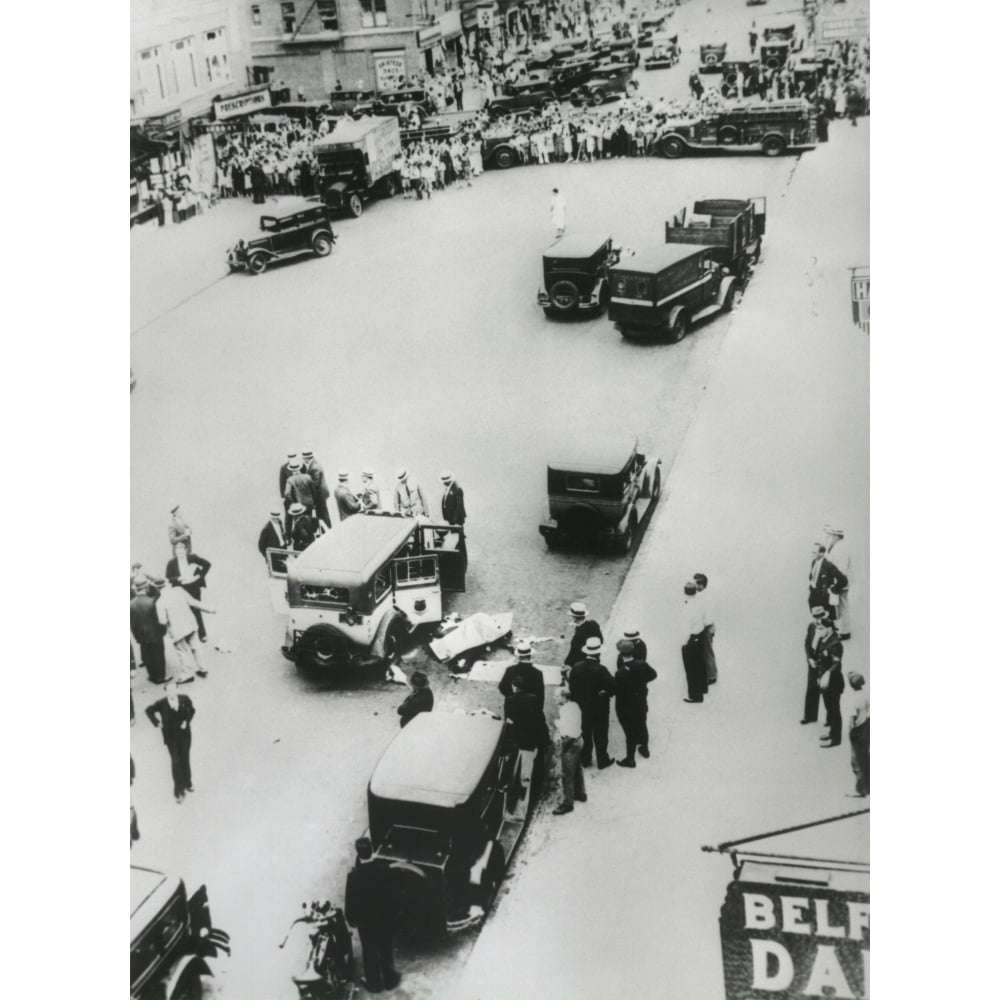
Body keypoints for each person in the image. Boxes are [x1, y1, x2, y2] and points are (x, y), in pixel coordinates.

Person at [344, 837, 401, 993]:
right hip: (384, 919)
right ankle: (390, 979)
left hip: (365, 922)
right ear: (372, 849)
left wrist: (351, 919)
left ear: (358, 853)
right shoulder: (384, 869)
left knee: (369, 951)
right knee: (385, 948)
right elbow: (393, 895)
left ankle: (374, 983)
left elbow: (350, 901)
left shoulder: (353, 876)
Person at [145, 678, 196, 803]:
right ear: (166, 692)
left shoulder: (185, 699)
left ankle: (188, 782)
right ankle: (178, 790)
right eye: (169, 690)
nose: (172, 693)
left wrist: (186, 721)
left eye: (174, 689)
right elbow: (149, 710)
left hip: (185, 736)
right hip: (171, 738)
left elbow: (192, 710)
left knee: (185, 758)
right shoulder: (162, 704)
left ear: (177, 690)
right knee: (175, 761)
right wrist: (157, 723)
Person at [568, 637, 616, 769]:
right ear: (598, 653)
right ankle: (602, 760)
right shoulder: (601, 670)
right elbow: (613, 686)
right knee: (600, 734)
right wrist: (605, 692)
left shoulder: (576, 667)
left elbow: (572, 689)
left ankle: (585, 759)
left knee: (585, 734)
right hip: (599, 708)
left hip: (582, 708)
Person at [156, 576, 215, 681]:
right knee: (195, 647)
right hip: (190, 624)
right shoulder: (179, 590)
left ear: (157, 588)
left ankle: (188, 674)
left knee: (182, 651)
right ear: (167, 584)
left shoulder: (160, 602)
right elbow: (194, 603)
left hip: (177, 630)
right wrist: (210, 610)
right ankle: (203, 668)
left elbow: (163, 621)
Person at [614, 640, 657, 766]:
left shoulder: (620, 672)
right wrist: (643, 683)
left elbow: (618, 691)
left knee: (629, 732)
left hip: (626, 706)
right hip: (641, 702)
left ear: (621, 654)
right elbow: (653, 675)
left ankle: (630, 759)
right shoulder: (642, 664)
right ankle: (645, 749)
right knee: (642, 725)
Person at [165, 541, 212, 642]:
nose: (180, 554)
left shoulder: (192, 557)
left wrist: (199, 576)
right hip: (181, 590)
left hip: (194, 588)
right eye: (178, 552)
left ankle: (202, 634)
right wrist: (178, 579)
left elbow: (207, 564)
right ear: (175, 552)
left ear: (185, 551)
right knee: (184, 610)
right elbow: (168, 577)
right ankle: (189, 635)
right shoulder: (171, 563)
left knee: (197, 610)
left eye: (182, 552)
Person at [552, 685, 587, 815]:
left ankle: (568, 803)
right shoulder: (574, 706)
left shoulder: (564, 711)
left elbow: (566, 730)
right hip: (579, 740)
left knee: (567, 773)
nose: (554, 698)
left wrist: (557, 723)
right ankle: (580, 793)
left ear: (564, 697)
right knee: (577, 768)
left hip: (570, 742)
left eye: (556, 696)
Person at [130, 576, 168, 684]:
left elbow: (132, 624)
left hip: (142, 635)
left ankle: (152, 675)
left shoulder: (131, 605)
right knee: (159, 655)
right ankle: (160, 677)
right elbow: (159, 617)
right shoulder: (152, 601)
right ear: (146, 587)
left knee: (148, 656)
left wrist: (137, 637)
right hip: (155, 633)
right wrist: (162, 631)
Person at [814, 618, 845, 747]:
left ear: (829, 629)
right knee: (829, 709)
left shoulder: (835, 644)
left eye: (821, 629)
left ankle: (836, 739)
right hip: (824, 683)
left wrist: (827, 674)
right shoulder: (823, 640)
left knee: (834, 711)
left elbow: (837, 664)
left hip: (833, 684)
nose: (818, 631)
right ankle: (832, 733)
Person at [503, 673, 550, 753]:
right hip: (531, 733)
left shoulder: (509, 700)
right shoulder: (533, 698)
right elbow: (540, 717)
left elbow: (507, 718)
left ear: (515, 687)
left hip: (516, 734)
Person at [801, 607, 832, 725]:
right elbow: (807, 643)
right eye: (816, 617)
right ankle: (810, 716)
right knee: (811, 689)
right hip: (812, 662)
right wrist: (809, 658)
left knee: (826, 691)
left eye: (821, 616)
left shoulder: (828, 627)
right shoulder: (811, 626)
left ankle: (830, 719)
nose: (818, 619)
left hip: (823, 663)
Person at [822, 523, 853, 638]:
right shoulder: (836, 545)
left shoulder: (841, 548)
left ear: (836, 535)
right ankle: (840, 629)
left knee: (842, 606)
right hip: (838, 580)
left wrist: (838, 585)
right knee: (839, 605)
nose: (829, 537)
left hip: (841, 581)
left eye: (830, 535)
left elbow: (841, 568)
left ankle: (845, 632)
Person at [681, 581, 707, 703]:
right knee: (700, 665)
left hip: (692, 638)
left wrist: (684, 642)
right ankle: (702, 688)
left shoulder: (687, 607)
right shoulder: (700, 603)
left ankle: (695, 695)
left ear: (684, 592)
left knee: (691, 669)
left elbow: (686, 628)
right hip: (700, 635)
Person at [807, 542, 847, 619]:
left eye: (814, 552)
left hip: (824, 598)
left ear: (821, 553)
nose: (812, 554)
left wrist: (833, 590)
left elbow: (843, 580)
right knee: (816, 620)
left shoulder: (828, 565)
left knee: (826, 621)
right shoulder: (814, 562)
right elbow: (812, 577)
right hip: (814, 596)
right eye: (811, 552)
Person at [846, 672, 870, 796]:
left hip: (857, 730)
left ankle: (860, 789)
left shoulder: (853, 698)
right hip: (867, 727)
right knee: (866, 757)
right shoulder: (866, 695)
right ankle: (869, 786)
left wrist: (850, 731)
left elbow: (852, 717)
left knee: (856, 760)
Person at [693, 573, 717, 686]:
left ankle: (711, 676)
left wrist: (700, 626)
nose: (694, 585)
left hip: (706, 628)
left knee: (707, 652)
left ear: (701, 584)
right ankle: (710, 674)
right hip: (706, 627)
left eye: (696, 582)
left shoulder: (706, 598)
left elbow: (708, 617)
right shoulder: (702, 595)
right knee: (706, 651)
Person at [563, 602, 603, 670]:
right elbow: (600, 641)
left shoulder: (578, 636)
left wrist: (567, 663)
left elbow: (574, 652)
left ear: (574, 617)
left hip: (581, 666)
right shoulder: (593, 624)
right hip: (595, 662)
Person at [302, 449, 332, 528]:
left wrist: (313, 500)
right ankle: (327, 528)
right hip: (322, 494)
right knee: (323, 513)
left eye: (303, 459)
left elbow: (315, 485)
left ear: (306, 458)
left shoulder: (314, 467)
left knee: (322, 514)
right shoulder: (315, 463)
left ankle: (327, 529)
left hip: (319, 495)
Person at [284, 459, 316, 526]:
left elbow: (287, 494)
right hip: (309, 503)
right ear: (299, 468)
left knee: (300, 523)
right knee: (309, 520)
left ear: (291, 469)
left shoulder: (290, 480)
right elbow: (313, 490)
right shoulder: (307, 477)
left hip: (299, 505)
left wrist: (292, 504)